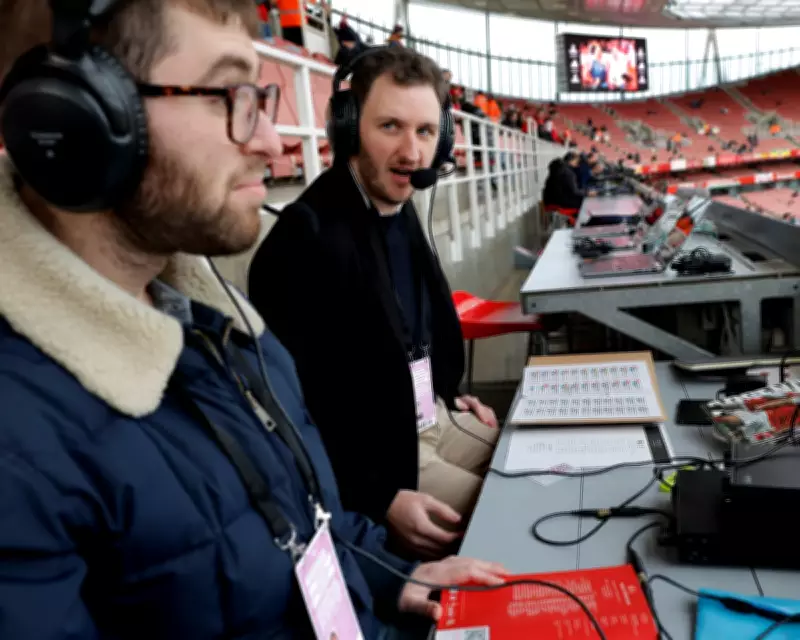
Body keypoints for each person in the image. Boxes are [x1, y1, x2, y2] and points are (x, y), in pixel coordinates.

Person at [0, 1, 507, 638]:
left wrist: (393, 576)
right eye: (230, 97)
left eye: (262, 100)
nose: (271, 141)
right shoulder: (19, 438)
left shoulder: (223, 333)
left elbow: (299, 527)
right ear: (75, 118)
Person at [248, 47, 500, 561]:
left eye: (425, 132)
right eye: (390, 126)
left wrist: (449, 395)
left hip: (433, 418)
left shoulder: (398, 208)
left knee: (534, 461)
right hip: (378, 461)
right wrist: (377, 498)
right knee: (513, 508)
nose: (412, 151)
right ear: (348, 129)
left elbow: (413, 332)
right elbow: (295, 409)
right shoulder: (305, 238)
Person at [543, 152, 591, 218]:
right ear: (571, 160)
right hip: (560, 203)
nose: (578, 163)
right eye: (576, 161)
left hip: (551, 201)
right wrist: (587, 193)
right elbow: (575, 191)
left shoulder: (558, 169)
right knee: (584, 203)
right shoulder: (568, 173)